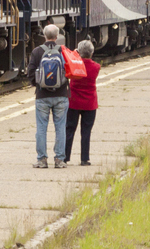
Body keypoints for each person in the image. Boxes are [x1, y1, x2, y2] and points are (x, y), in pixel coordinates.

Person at [28, 24, 69, 169]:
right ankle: (59, 160)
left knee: (41, 128)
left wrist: (40, 86)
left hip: (42, 96)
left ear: (44, 36)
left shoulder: (37, 51)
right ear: (57, 36)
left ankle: (42, 160)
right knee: (60, 128)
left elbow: (31, 73)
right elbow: (70, 71)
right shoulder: (63, 51)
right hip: (61, 96)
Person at [64, 39, 101, 166]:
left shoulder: (74, 64)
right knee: (86, 131)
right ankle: (84, 158)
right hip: (90, 103)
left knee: (69, 129)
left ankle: (65, 157)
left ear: (79, 52)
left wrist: (75, 54)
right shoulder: (96, 67)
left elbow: (69, 61)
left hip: (73, 101)